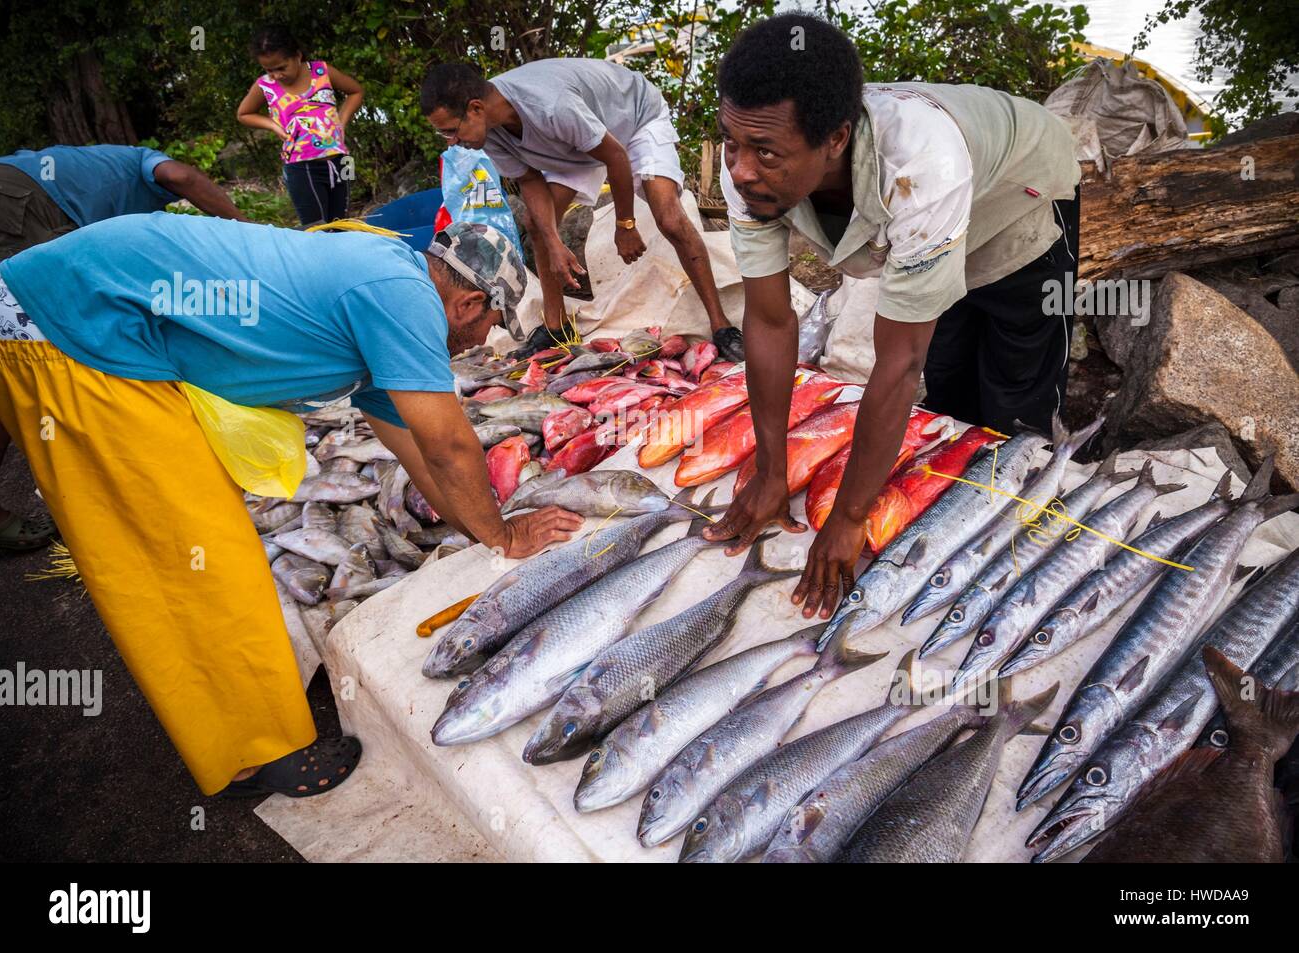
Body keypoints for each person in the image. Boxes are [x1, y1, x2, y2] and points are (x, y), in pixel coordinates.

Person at [0, 214, 581, 797]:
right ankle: (252, 758)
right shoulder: (402, 296)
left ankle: (244, 731)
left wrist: (481, 530)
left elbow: (418, 453)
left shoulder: (385, 283)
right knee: (189, 559)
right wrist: (505, 536)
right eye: (491, 323)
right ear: (469, 302)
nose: (485, 341)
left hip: (88, 318)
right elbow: (450, 444)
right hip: (76, 330)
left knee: (206, 549)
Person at [702, 13, 1081, 619]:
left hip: (1019, 200)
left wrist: (851, 517)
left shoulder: (918, 167)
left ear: (835, 140)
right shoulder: (748, 162)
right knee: (951, 382)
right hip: (930, 226)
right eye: (731, 141)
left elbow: (897, 363)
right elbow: (772, 323)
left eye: (766, 151)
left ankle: (1011, 530)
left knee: (1016, 390)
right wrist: (771, 473)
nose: (741, 169)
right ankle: (960, 480)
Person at [0, 142, 249, 550]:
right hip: (16, 208)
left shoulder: (83, 163)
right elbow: (181, 177)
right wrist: (246, 229)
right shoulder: (142, 162)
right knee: (35, 353)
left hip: (15, 194)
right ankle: (109, 493)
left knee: (18, 356)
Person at [420, 60, 744, 362]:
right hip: (575, 146)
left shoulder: (551, 105)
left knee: (669, 219)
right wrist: (554, 243)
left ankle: (721, 325)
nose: (450, 142)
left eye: (450, 130)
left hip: (633, 121)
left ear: (475, 109)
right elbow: (531, 181)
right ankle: (556, 326)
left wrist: (625, 225)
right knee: (535, 223)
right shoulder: (488, 131)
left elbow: (616, 157)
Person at [237, 24, 364, 226]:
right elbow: (244, 114)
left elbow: (355, 91)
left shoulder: (321, 71)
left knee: (342, 225)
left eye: (281, 67)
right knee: (316, 230)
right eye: (269, 70)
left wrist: (341, 121)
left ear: (297, 56)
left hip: (339, 161)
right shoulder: (265, 85)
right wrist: (273, 126)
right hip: (301, 167)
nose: (276, 75)